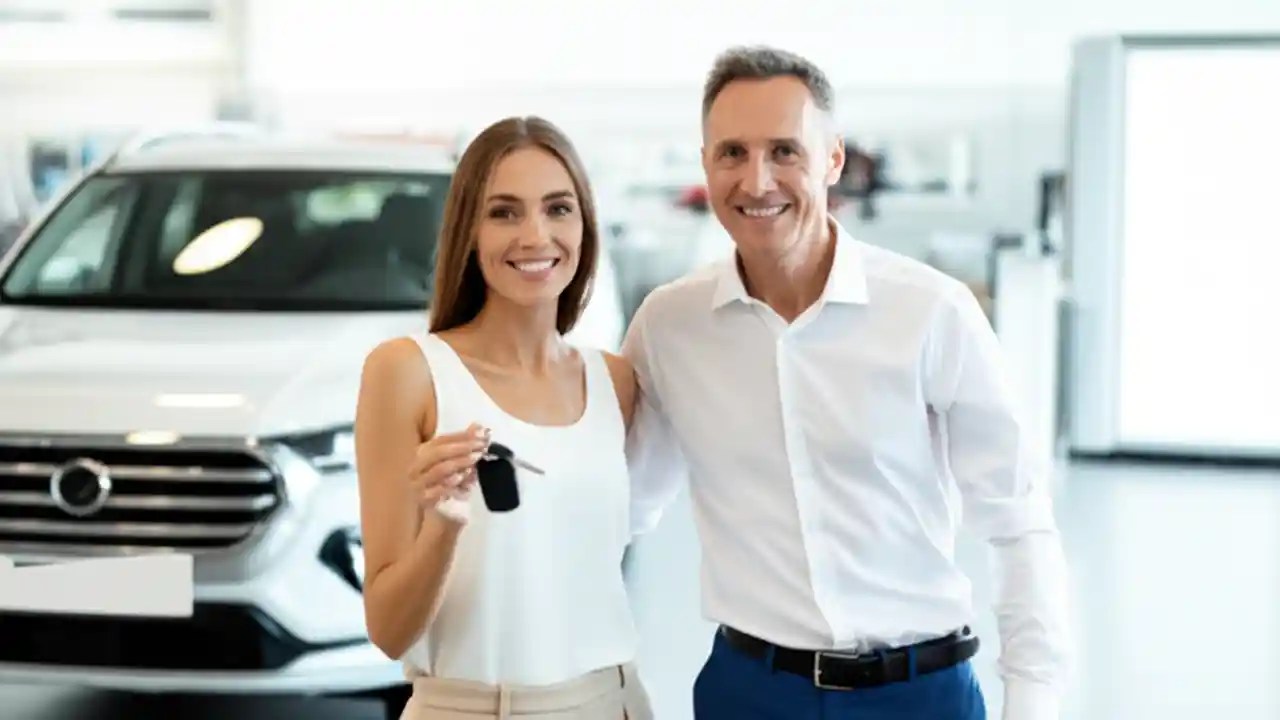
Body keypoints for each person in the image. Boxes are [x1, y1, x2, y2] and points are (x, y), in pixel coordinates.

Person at [623, 46, 1070, 720]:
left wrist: (1032, 703)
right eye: (732, 153)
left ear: (833, 159)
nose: (756, 180)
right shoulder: (669, 325)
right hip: (748, 693)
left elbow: (1016, 518)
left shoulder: (930, 311)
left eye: (784, 151)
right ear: (706, 162)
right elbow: (620, 508)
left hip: (919, 694)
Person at [355, 116, 653, 720]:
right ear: (468, 230)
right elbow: (387, 630)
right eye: (504, 212)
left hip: (612, 702)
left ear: (585, 225)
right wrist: (443, 526)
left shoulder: (615, 382)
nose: (535, 235)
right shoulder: (408, 372)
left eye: (558, 208)